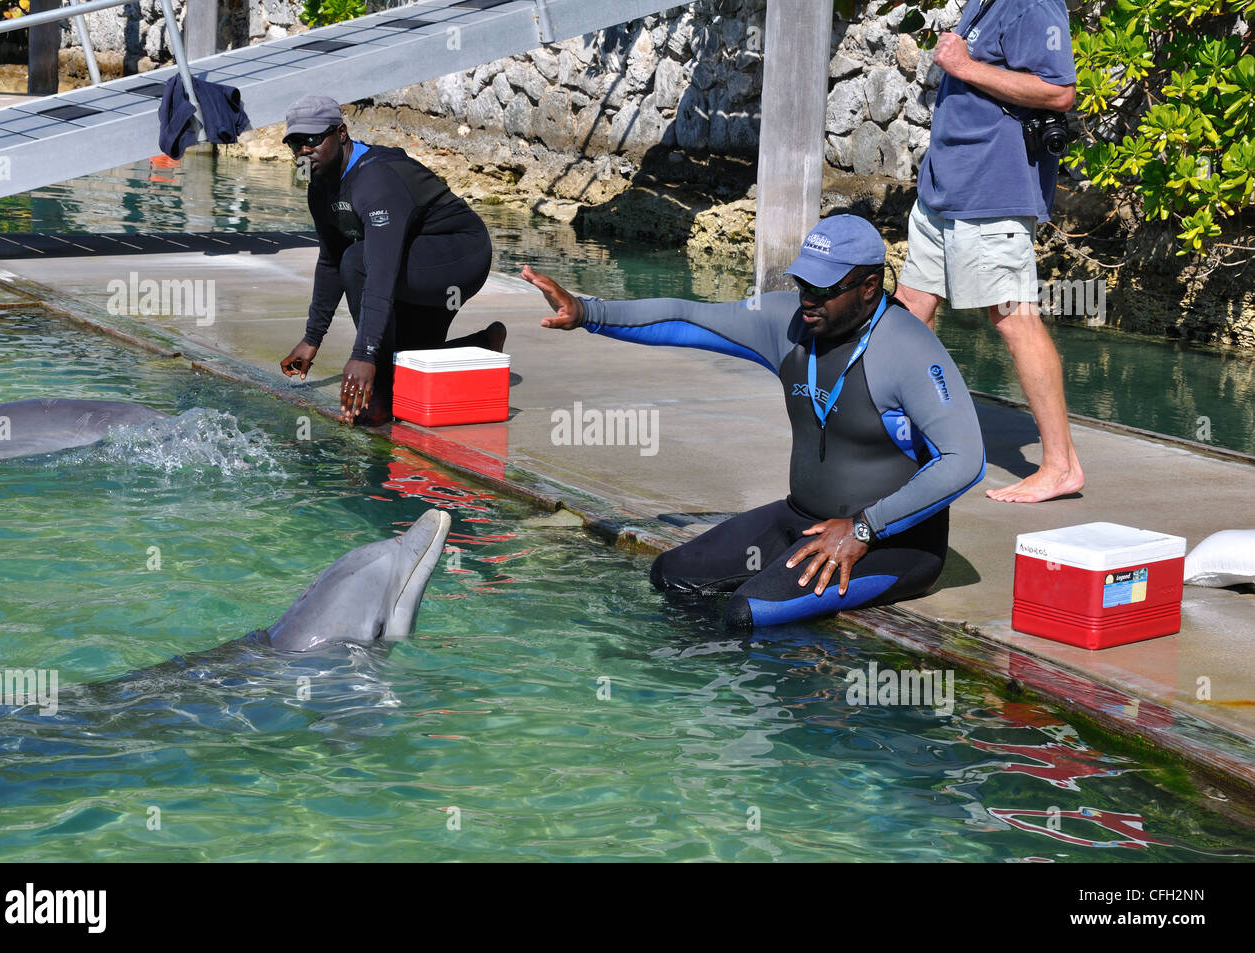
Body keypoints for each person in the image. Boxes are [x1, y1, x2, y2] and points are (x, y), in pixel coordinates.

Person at [523, 215, 986, 627]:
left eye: (824, 289)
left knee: (747, 613)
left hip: (892, 544)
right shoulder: (789, 321)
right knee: (672, 576)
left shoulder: (908, 347)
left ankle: (808, 701)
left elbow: (965, 461)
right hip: (800, 519)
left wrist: (865, 527)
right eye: (804, 283)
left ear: (868, 286)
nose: (808, 299)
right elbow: (688, 317)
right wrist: (588, 312)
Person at [894, 0, 1083, 504]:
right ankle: (918, 438)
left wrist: (963, 66)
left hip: (992, 191)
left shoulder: (1034, 5)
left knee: (1013, 317)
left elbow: (1059, 92)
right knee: (910, 308)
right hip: (943, 187)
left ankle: (1061, 466)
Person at [277, 95, 504, 426]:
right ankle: (484, 344)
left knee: (358, 261)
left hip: (458, 257)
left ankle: (379, 402)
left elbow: (378, 270)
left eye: (312, 140)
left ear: (341, 133)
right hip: (412, 256)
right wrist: (312, 338)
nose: (303, 151)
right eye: (295, 144)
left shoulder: (375, 180)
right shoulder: (319, 185)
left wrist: (364, 355)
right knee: (406, 361)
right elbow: (329, 260)